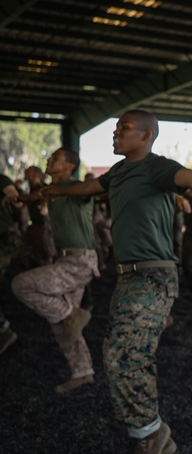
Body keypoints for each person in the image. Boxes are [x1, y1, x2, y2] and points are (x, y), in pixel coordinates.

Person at [40, 109, 192, 454]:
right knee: (121, 354)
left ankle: (151, 432)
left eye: (123, 129)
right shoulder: (118, 173)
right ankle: (151, 432)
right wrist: (56, 190)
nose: (115, 134)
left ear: (145, 136)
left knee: (124, 355)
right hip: (128, 277)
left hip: (153, 276)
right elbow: (87, 189)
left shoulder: (158, 167)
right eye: (116, 128)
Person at [12, 148, 100, 393]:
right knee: (61, 323)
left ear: (70, 167)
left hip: (80, 261)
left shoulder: (77, 189)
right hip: (67, 261)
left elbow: (91, 190)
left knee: (21, 284)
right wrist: (20, 197)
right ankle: (83, 372)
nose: (49, 160)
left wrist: (50, 192)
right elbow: (35, 196)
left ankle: (71, 313)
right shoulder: (50, 192)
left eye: (56, 159)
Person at [0, 172, 23, 355]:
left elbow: (14, 197)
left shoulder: (2, 179)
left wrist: (13, 198)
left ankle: (4, 331)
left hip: (5, 238)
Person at [19, 165, 56, 268]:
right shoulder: (31, 188)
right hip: (35, 225)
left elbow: (48, 197)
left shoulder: (42, 188)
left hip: (43, 225)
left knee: (44, 254)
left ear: (35, 174)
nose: (25, 173)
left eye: (28, 172)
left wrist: (46, 205)